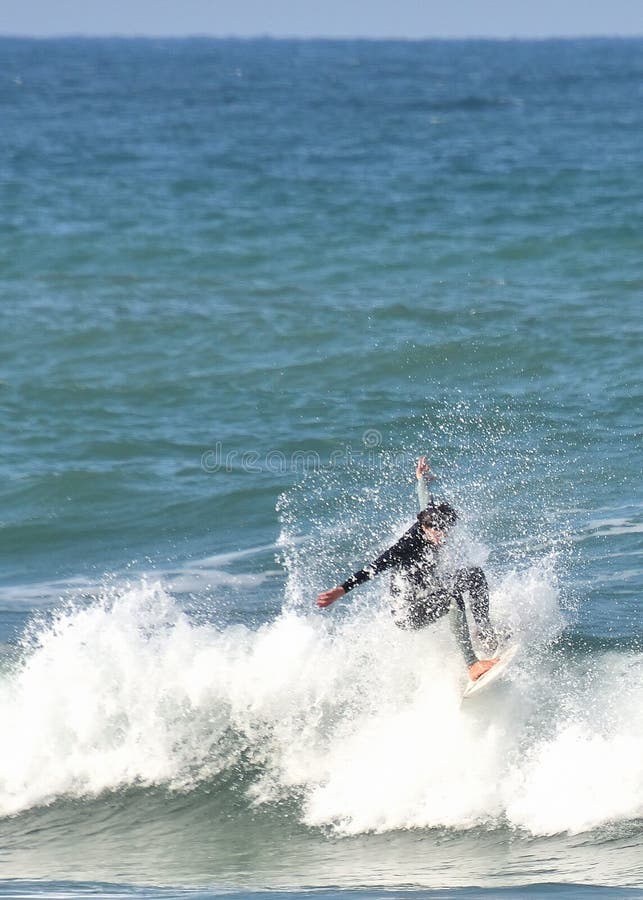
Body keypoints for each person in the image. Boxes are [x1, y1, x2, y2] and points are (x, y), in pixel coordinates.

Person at [315, 457, 502, 682]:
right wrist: (341, 590)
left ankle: (485, 632)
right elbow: (373, 568)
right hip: (408, 612)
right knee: (453, 596)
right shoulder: (406, 546)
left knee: (475, 576)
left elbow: (425, 501)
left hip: (428, 593)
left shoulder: (431, 519)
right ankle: (472, 665)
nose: (443, 536)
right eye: (438, 532)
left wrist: (420, 480)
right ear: (424, 527)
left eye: (446, 530)